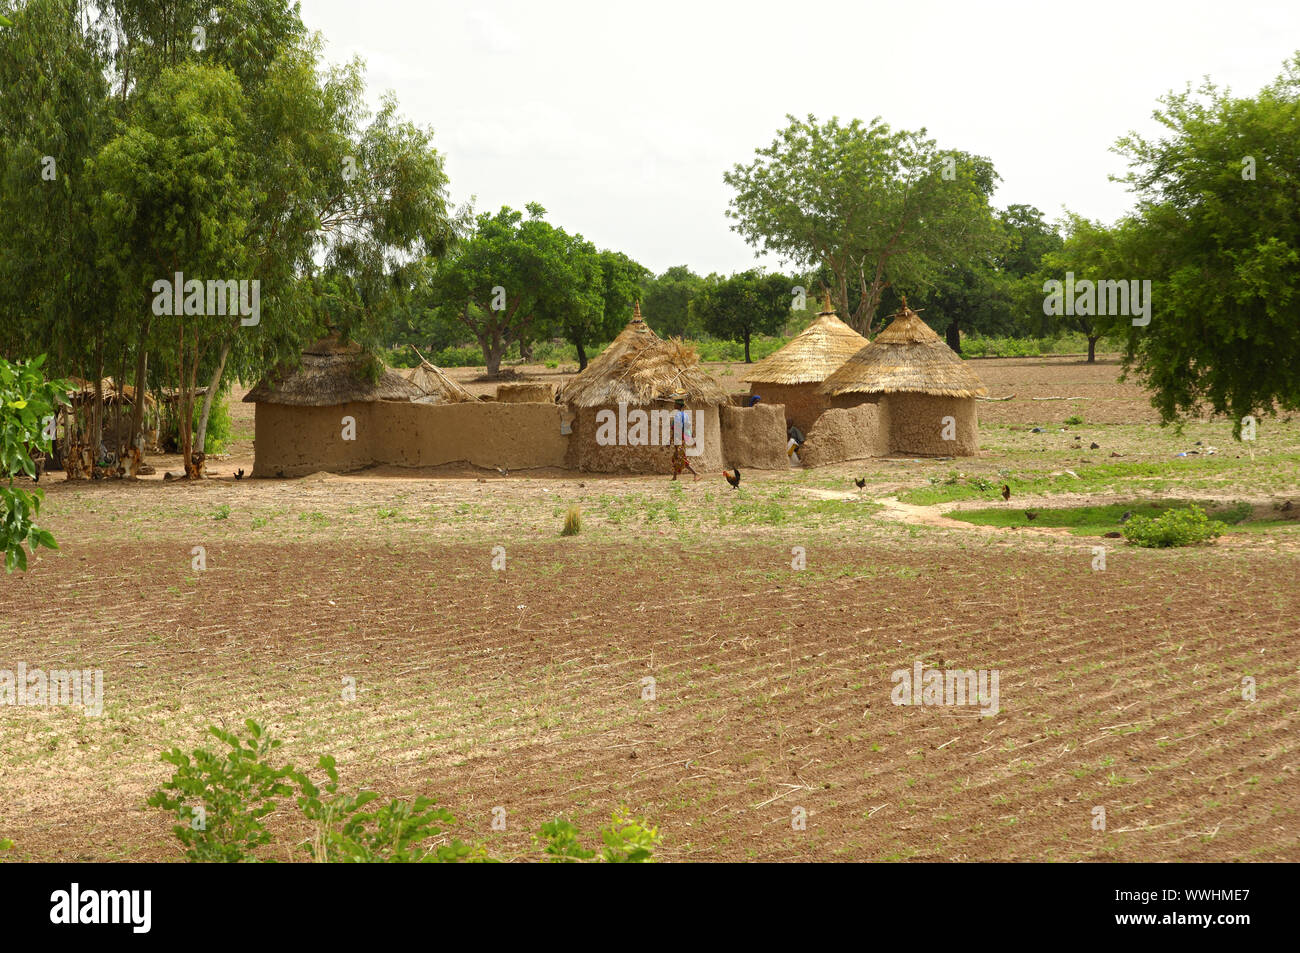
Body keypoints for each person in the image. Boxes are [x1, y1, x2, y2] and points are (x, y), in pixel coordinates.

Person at [667, 389, 699, 482]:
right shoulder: (685, 415)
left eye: (675, 404)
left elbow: (676, 429)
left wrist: (670, 440)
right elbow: (688, 428)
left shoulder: (677, 415)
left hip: (679, 439)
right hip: (682, 439)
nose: (674, 405)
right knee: (676, 457)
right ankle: (674, 477)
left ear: (678, 405)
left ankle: (696, 473)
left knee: (680, 458)